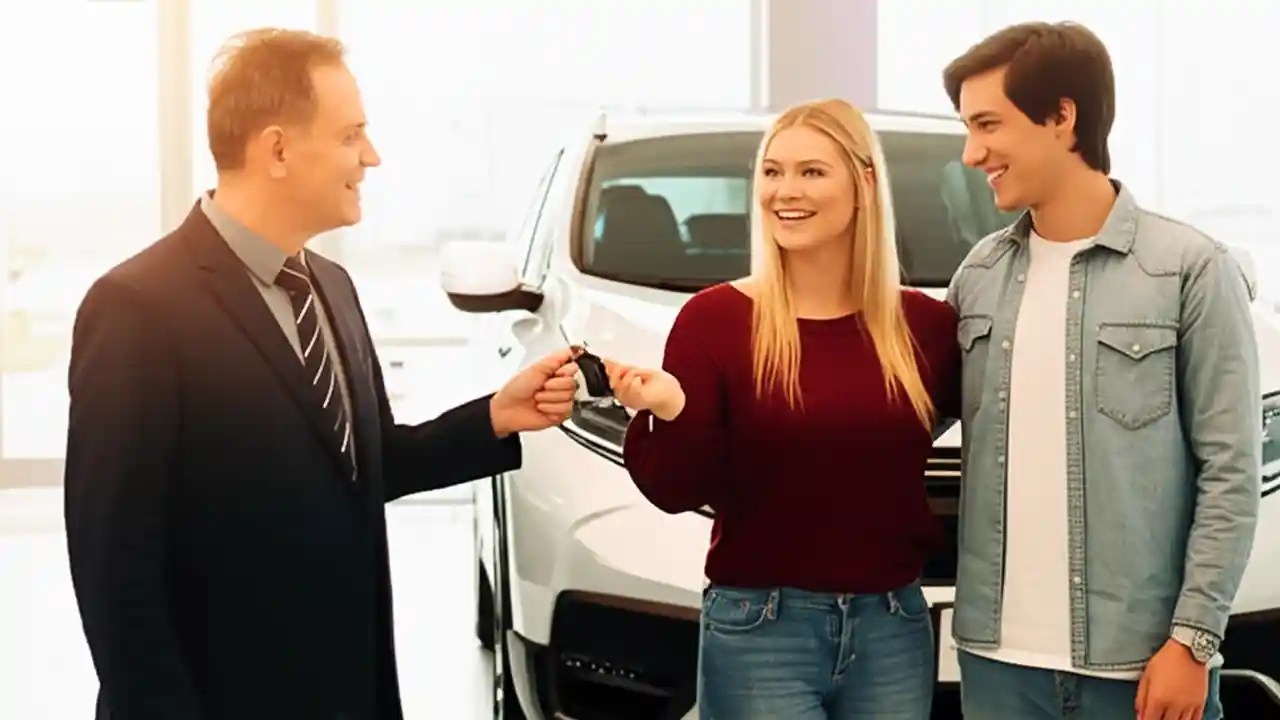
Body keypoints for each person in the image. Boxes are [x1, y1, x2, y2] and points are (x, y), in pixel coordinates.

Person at [63, 28, 578, 720]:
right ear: (276, 149)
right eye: (350, 136)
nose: (371, 156)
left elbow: (363, 469)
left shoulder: (332, 288)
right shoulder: (137, 308)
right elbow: (114, 570)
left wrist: (494, 416)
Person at [940, 21, 1261, 720]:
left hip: (1143, 666)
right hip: (997, 666)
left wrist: (1193, 643)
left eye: (988, 124)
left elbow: (1231, 472)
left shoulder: (1190, 270)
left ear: (1062, 116)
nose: (971, 153)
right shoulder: (979, 278)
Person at [603, 98, 961, 719]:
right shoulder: (715, 322)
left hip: (893, 625)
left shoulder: (926, 329)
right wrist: (671, 409)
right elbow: (673, 487)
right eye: (772, 172)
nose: (784, 191)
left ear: (864, 185)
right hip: (761, 629)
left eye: (812, 172)